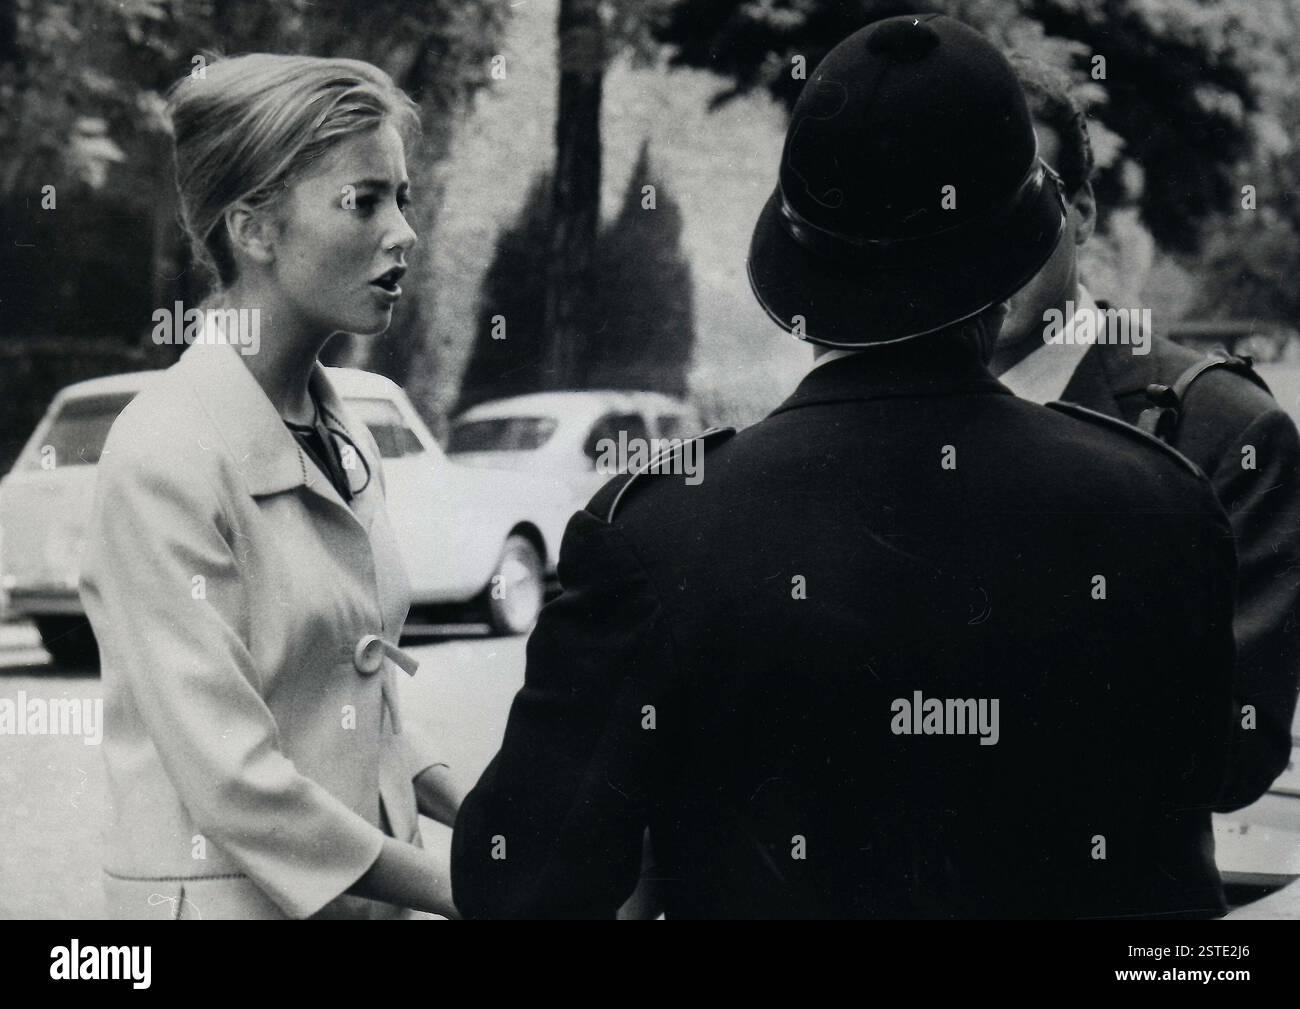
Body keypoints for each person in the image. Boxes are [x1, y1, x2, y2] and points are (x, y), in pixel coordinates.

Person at [451, 14, 1237, 919]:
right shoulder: (1161, 505)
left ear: (795, 267)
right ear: (1022, 249)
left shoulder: (662, 531)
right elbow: (1180, 887)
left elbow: (517, 886)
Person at [79, 54, 461, 920]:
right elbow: (234, 779)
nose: (404, 232)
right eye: (364, 201)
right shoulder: (165, 453)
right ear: (253, 229)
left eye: (402, 197)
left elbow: (360, 700)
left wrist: (503, 826)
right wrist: (468, 888)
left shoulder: (343, 429)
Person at [993, 57, 1300, 811]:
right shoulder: (874, 418)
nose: (984, 241)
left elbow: (1237, 746)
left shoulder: (1224, 425)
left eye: (1018, 199)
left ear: (1085, 214)